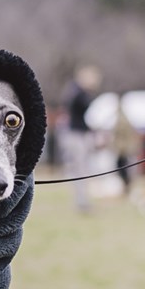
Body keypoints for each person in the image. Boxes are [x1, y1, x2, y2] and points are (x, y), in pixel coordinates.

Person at [60, 64, 102, 212]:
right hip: (76, 136)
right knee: (80, 170)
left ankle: (83, 200)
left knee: (83, 169)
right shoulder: (77, 93)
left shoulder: (79, 93)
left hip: (81, 135)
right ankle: (81, 202)